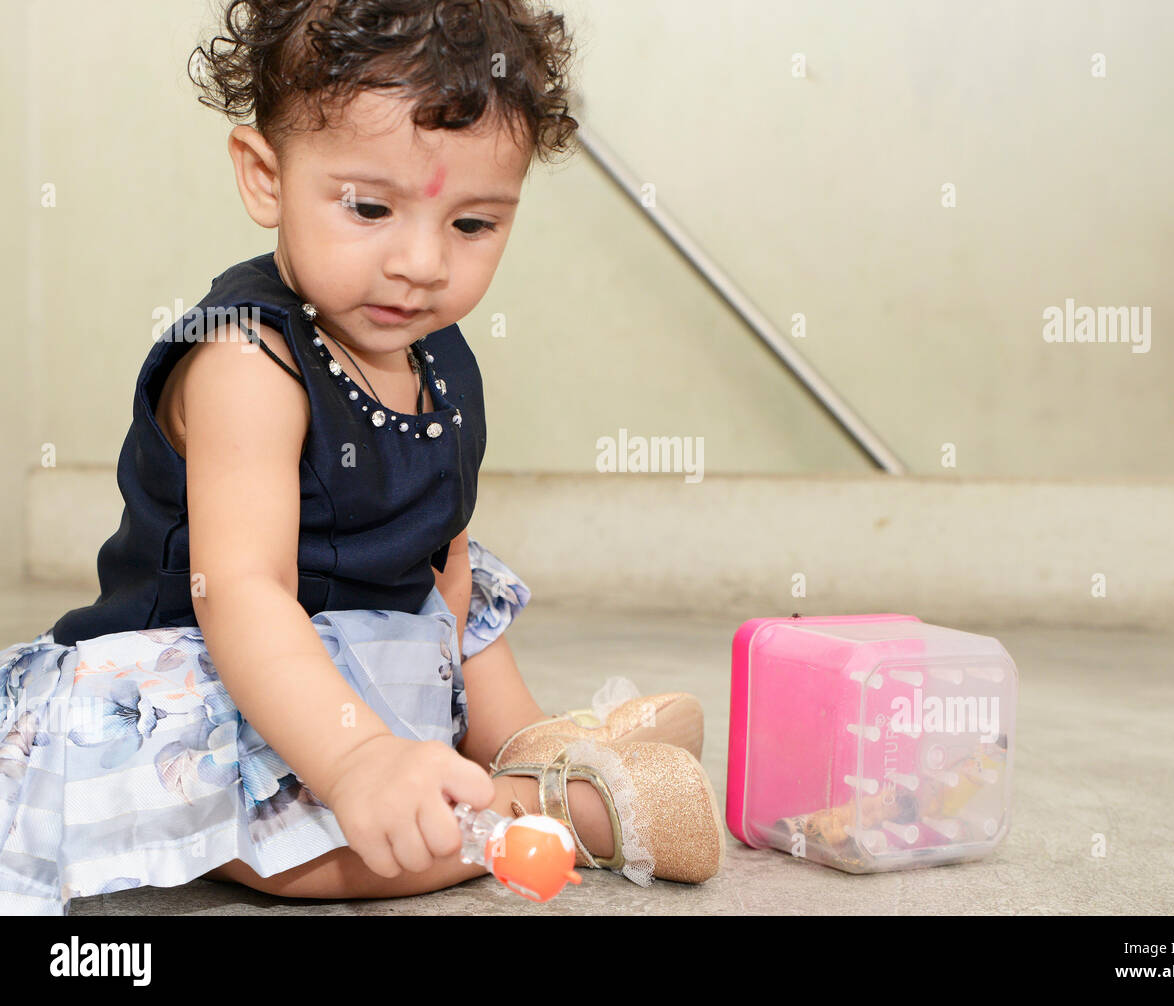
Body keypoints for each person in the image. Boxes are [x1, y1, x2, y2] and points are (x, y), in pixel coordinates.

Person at [0, 0, 723, 916]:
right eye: (370, 208)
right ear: (266, 177)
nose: (422, 264)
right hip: (230, 663)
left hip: (366, 640)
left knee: (466, 582)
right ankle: (557, 811)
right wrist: (357, 759)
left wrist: (435, 704)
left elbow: (441, 545)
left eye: (474, 225)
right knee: (298, 856)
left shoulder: (436, 348)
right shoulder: (246, 361)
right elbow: (248, 593)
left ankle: (533, 746)